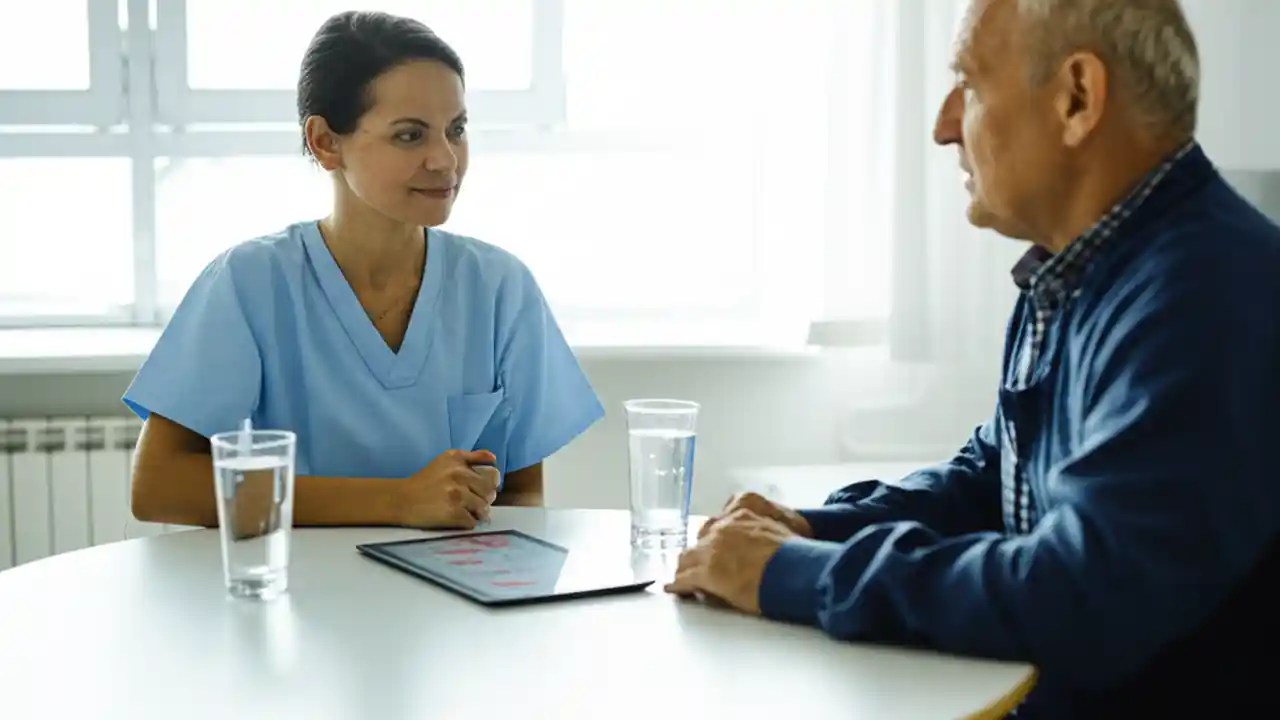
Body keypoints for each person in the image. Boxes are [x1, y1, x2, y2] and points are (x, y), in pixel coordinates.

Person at [665, 0, 1280, 715]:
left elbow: (1082, 596)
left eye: (970, 82)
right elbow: (995, 482)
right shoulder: (1078, 273)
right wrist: (809, 529)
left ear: (1077, 98)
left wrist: (791, 575)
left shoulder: (1204, 297)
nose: (943, 125)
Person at [124, 11, 602, 531]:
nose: (445, 160)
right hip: (301, 598)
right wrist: (398, 502)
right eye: (410, 136)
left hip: (456, 599)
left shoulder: (500, 288)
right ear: (326, 142)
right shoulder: (250, 284)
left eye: (456, 129)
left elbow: (521, 492)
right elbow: (159, 486)